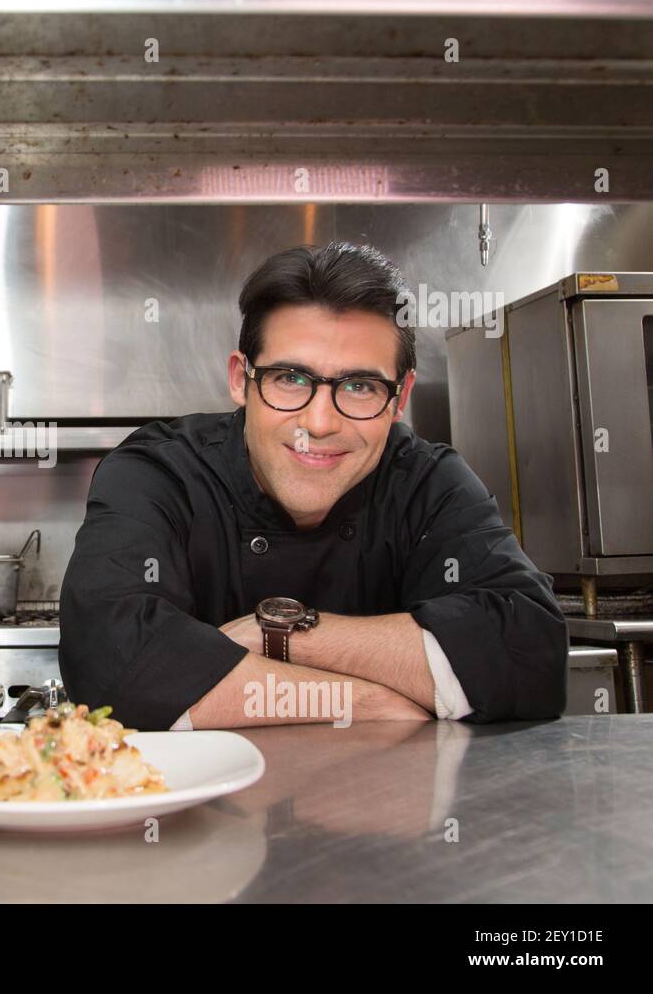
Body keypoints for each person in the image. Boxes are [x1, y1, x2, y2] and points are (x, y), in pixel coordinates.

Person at [60, 242, 567, 729]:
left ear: (399, 397)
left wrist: (278, 635)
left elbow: (530, 650)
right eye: (290, 379)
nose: (319, 423)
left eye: (360, 387)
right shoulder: (158, 472)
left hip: (394, 808)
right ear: (241, 379)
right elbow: (111, 664)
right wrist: (363, 703)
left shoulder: (427, 482)